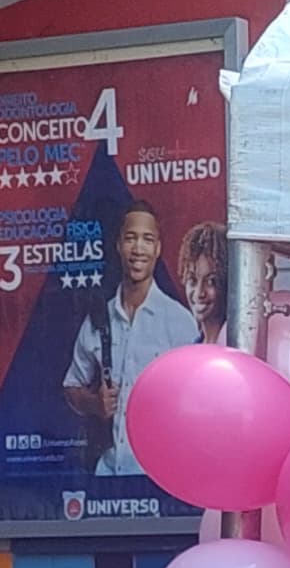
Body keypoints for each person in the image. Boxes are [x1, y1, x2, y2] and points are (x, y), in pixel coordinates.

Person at [60, 202, 196, 477]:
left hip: (161, 477)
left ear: (158, 249)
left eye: (148, 240)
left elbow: (200, 401)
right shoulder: (98, 320)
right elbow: (71, 386)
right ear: (119, 245)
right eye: (131, 238)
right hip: (107, 475)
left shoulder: (180, 321)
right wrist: (94, 404)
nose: (138, 249)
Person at [176, 219, 231, 346]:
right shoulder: (194, 347)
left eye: (211, 281)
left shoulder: (237, 348)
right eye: (192, 280)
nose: (199, 293)